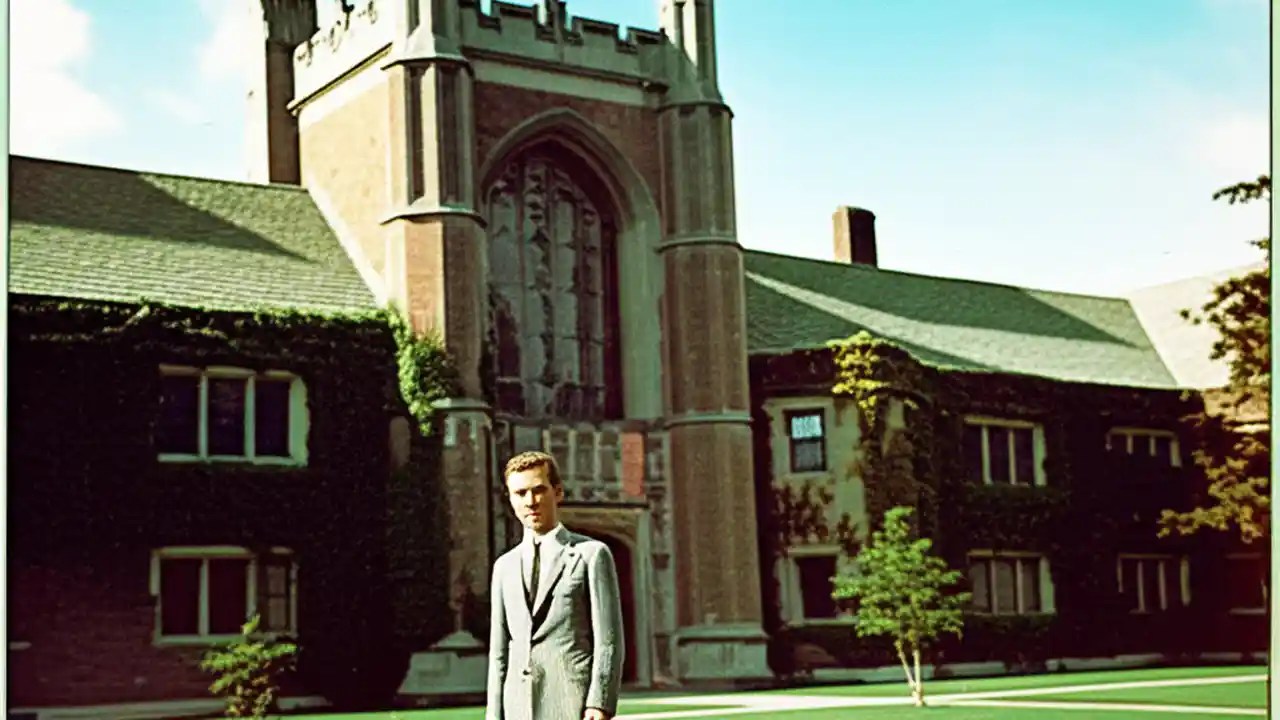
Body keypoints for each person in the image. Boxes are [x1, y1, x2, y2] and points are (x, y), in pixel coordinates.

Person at [485, 451, 624, 720]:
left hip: (573, 702)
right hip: (517, 708)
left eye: (539, 490)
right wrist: (494, 714)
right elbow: (499, 653)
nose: (531, 501)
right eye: (520, 493)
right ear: (510, 499)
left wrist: (600, 702)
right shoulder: (504, 567)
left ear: (557, 492)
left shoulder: (592, 554)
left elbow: (609, 640)